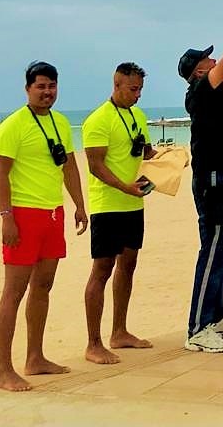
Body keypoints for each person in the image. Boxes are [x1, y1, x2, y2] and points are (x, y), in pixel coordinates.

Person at [0, 60, 88, 392]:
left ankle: (35, 357)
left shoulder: (61, 122)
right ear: (28, 88)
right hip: (23, 215)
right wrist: (6, 217)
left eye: (52, 86)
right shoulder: (12, 126)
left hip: (52, 214)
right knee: (13, 292)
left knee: (43, 287)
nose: (47, 92)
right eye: (41, 86)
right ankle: (4, 370)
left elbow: (69, 166)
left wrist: (79, 204)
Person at [179, 6, 223, 353]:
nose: (213, 61)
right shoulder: (201, 92)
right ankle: (197, 327)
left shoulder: (217, 91)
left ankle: (217, 316)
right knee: (212, 249)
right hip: (211, 181)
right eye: (208, 61)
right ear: (199, 71)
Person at [83, 61, 158, 364]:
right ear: (116, 85)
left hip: (133, 204)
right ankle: (93, 343)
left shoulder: (138, 115)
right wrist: (124, 187)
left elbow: (147, 153)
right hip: (107, 206)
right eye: (133, 89)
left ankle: (120, 332)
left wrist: (172, 159)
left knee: (128, 266)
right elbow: (95, 165)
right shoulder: (98, 120)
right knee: (102, 270)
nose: (138, 94)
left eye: (140, 89)